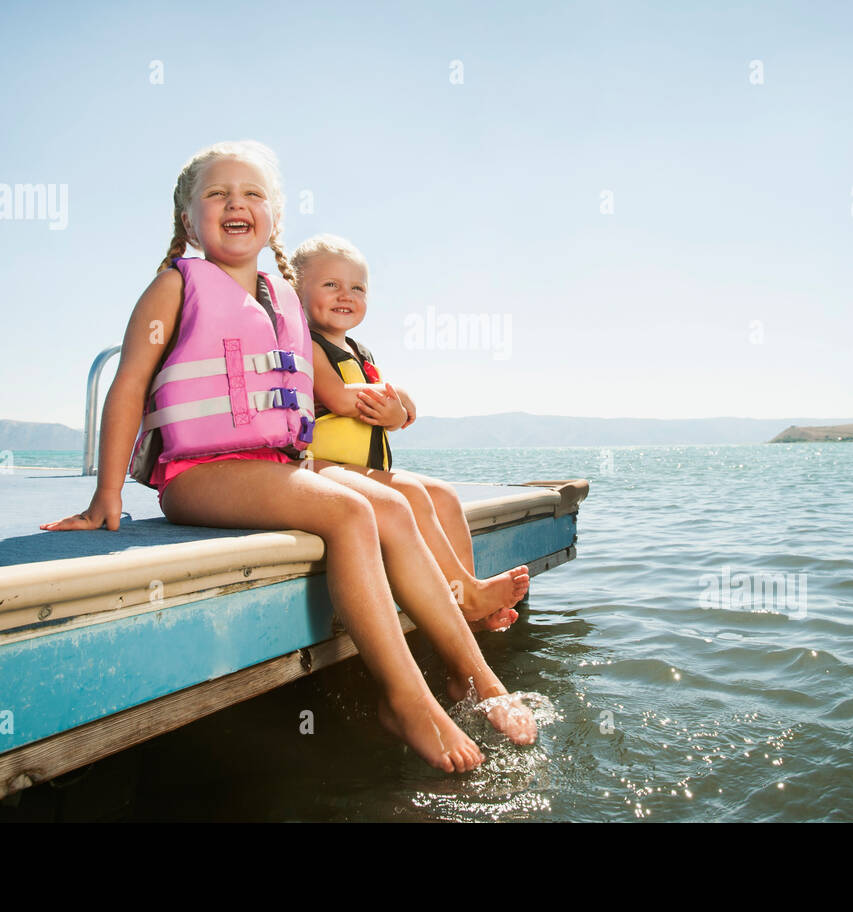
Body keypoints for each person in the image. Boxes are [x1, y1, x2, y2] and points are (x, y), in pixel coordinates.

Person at [40, 141, 535, 772]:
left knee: (391, 504)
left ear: (272, 216)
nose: (235, 204)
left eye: (251, 194)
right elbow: (130, 382)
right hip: (201, 475)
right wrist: (104, 497)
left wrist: (400, 406)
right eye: (217, 194)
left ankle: (477, 678)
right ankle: (404, 700)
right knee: (352, 514)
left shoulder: (282, 304)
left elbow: (332, 396)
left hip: (275, 467)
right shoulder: (174, 286)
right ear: (188, 219)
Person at [291, 234, 529, 632]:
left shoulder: (359, 352)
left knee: (443, 495)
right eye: (330, 284)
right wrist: (394, 400)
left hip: (360, 471)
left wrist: (397, 406)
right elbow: (338, 397)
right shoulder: (304, 342)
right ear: (296, 292)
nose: (345, 294)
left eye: (357, 288)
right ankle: (468, 596)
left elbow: (398, 414)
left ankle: (464, 604)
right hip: (317, 469)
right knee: (414, 495)